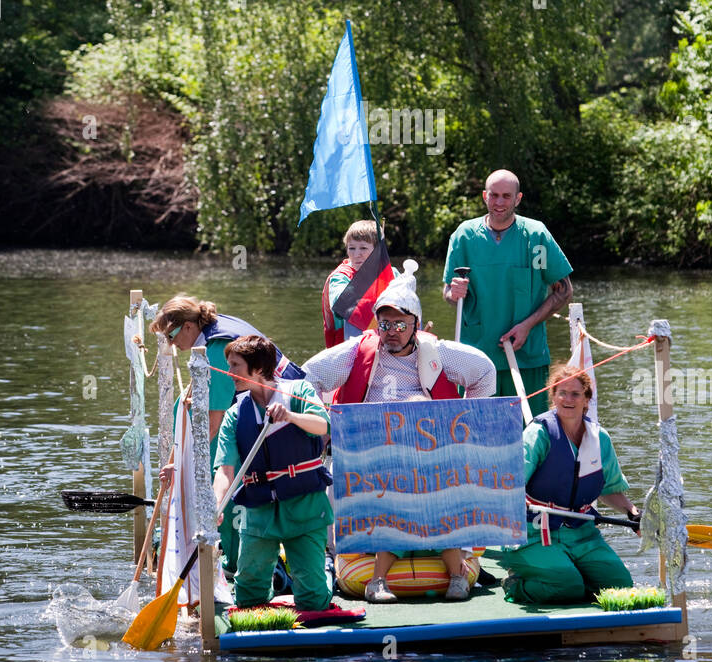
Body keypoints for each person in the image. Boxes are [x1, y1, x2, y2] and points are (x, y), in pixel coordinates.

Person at [303, 260, 496, 603]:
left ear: (415, 325)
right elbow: (307, 377)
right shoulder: (356, 352)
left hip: (429, 456)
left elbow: (485, 371)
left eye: (399, 324)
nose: (390, 330)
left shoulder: (438, 352)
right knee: (389, 495)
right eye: (385, 322)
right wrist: (325, 424)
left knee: (442, 494)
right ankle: (377, 581)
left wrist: (466, 422)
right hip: (373, 459)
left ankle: (456, 577)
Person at [149, 295, 302, 575]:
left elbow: (213, 421)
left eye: (171, 335)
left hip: (281, 410)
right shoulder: (211, 329)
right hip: (261, 405)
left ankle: (231, 563)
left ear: (187, 326)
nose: (171, 344)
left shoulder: (216, 346)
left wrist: (181, 465)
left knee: (216, 470)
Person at [501, 362, 639, 605]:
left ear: (587, 399)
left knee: (620, 586)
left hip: (582, 532)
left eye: (575, 393)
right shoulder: (538, 433)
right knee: (567, 587)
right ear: (553, 396)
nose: (567, 399)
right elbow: (510, 483)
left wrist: (631, 512)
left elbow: (610, 489)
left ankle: (572, 571)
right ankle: (516, 583)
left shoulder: (600, 439)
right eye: (561, 392)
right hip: (534, 533)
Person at [213, 335, 333, 612]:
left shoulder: (299, 391)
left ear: (258, 369)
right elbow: (225, 470)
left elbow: (322, 425)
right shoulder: (235, 415)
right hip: (259, 510)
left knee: (313, 601)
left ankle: (325, 574)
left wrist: (290, 416)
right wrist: (216, 504)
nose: (230, 373)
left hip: (305, 506)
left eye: (235, 366)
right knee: (249, 597)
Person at [443, 169, 573, 405]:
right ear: (484, 196)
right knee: (477, 434)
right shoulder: (464, 237)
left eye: (506, 196)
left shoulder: (535, 237)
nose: (499, 202)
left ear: (518, 198)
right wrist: (454, 293)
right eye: (494, 195)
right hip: (476, 359)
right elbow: (449, 294)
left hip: (527, 357)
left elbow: (563, 291)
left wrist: (527, 325)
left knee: (530, 433)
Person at [321, 219, 395, 347]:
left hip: (383, 345)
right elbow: (341, 304)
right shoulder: (340, 277)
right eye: (352, 248)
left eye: (363, 248)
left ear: (378, 250)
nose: (356, 254)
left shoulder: (389, 273)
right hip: (345, 350)